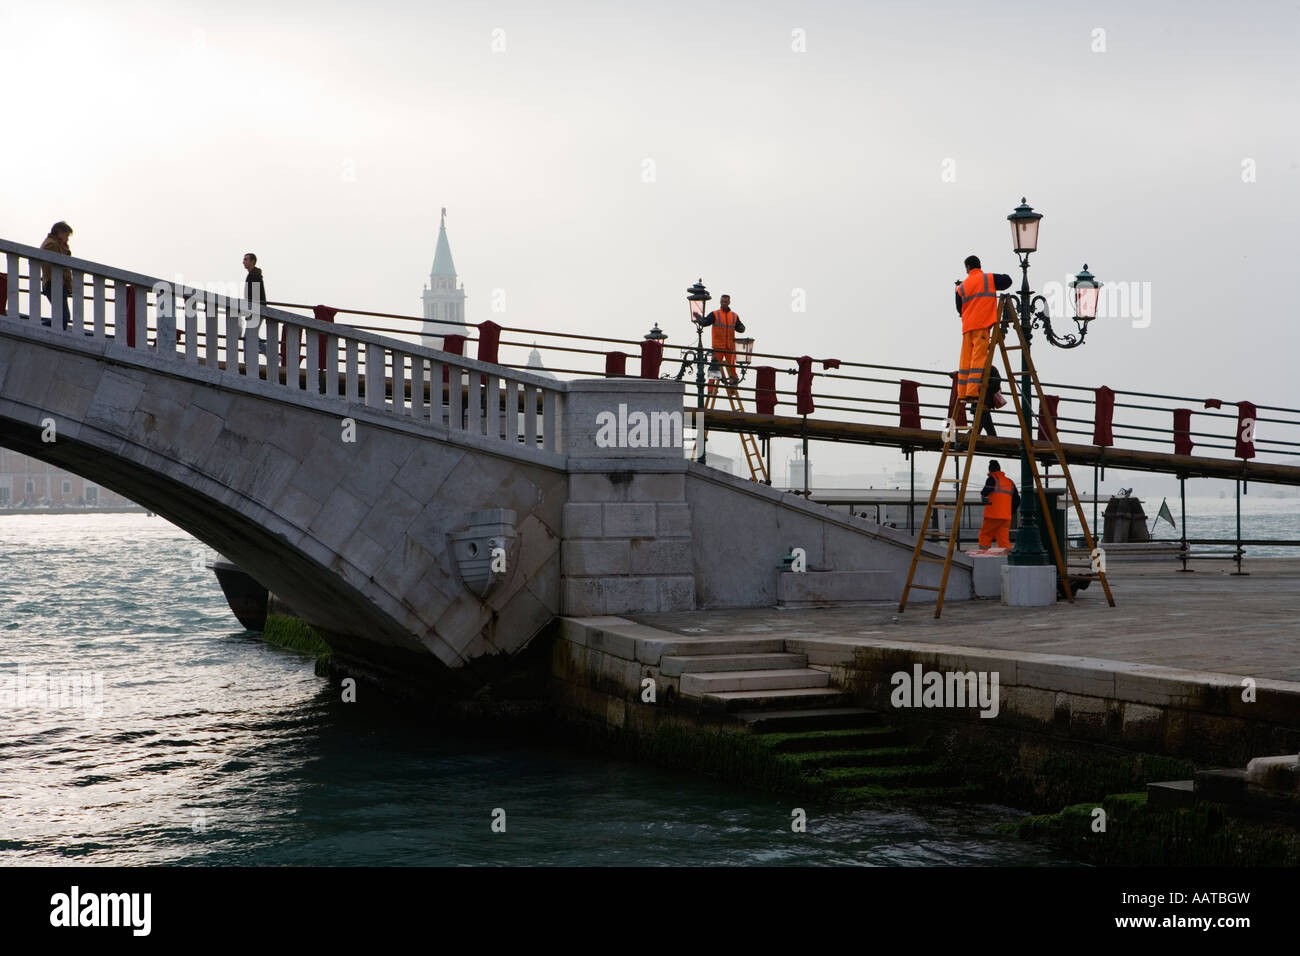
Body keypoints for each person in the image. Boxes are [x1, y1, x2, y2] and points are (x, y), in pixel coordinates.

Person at [955, 255, 1013, 410]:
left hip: (967, 327)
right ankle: (972, 392)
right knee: (978, 359)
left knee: (965, 361)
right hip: (982, 325)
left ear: (967, 268)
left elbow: (958, 308)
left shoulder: (961, 287)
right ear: (979, 265)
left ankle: (962, 393)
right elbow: (1008, 281)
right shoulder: (988, 279)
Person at [695, 293, 746, 385]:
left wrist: (741, 328)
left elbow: (740, 327)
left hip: (729, 347)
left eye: (725, 302)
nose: (723, 303)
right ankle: (711, 389)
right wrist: (699, 318)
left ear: (729, 302)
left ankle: (733, 382)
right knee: (714, 367)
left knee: (731, 367)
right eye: (722, 301)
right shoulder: (715, 314)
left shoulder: (734, 316)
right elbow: (705, 322)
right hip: (718, 347)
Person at [977, 459, 1019, 552]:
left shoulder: (992, 478)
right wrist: (1011, 511)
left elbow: (985, 492)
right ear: (1000, 469)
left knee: (985, 535)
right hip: (1006, 517)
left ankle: (983, 556)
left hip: (993, 515)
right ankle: (1007, 558)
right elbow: (1017, 499)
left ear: (990, 470)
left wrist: (983, 494)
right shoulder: (1009, 482)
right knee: (1003, 539)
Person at [39, 221, 75, 329]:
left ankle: (43, 327)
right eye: (67, 235)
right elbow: (52, 267)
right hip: (55, 284)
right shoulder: (51, 244)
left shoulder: (55, 244)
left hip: (57, 284)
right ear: (59, 232)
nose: (67, 239)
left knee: (62, 316)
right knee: (63, 317)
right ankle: (42, 328)